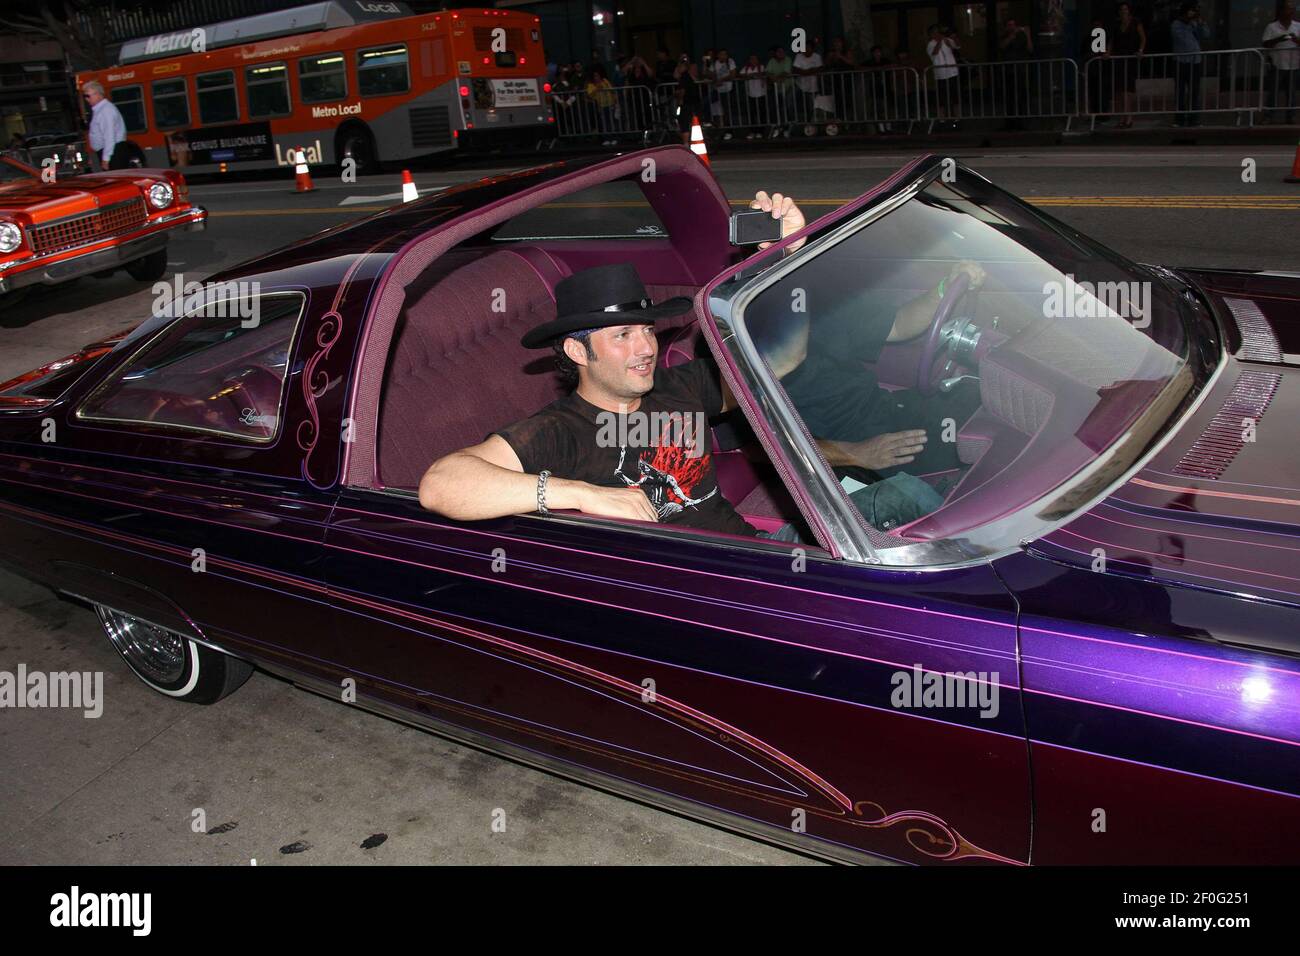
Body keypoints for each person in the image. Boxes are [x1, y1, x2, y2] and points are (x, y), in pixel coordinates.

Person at [419, 192, 982, 539]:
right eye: (622, 335)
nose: (645, 346)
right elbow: (442, 485)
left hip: (761, 554)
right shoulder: (558, 432)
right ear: (575, 351)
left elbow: (783, 357)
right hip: (711, 587)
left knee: (923, 501)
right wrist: (579, 493)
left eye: (646, 328)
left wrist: (785, 258)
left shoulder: (678, 388)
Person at [1171, 1, 1210, 127]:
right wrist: (1189, 23)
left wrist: (1200, 23)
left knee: (1194, 91)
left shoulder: (1194, 24)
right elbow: (1184, 41)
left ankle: (1194, 119)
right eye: (1190, 11)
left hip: (1195, 62)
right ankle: (1180, 119)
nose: (1192, 14)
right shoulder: (1176, 25)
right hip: (1181, 62)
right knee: (1180, 92)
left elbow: (1206, 35)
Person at [1111, 3, 1147, 129]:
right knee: (1119, 90)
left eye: (1125, 9)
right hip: (1119, 58)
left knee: (1128, 89)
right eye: (1121, 10)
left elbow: (1143, 38)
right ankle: (1122, 117)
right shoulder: (1116, 25)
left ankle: (1129, 117)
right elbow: (1112, 41)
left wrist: (1140, 50)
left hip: (1130, 57)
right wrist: (1107, 53)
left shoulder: (1136, 22)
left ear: (1129, 11)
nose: (1123, 12)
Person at [1263, 2, 1299, 124]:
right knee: (1273, 91)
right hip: (1277, 64)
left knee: (1292, 92)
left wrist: (1295, 39)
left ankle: (1291, 116)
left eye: (1292, 9)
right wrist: (1280, 38)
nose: (1291, 12)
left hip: (1294, 64)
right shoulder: (1272, 27)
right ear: (1282, 11)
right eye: (1289, 9)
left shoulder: (1298, 26)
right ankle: (1268, 116)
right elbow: (1265, 44)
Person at [83, 80, 128, 170]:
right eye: (85, 96)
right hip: (111, 151)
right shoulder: (101, 110)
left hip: (113, 153)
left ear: (98, 94)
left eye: (88, 96)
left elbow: (109, 135)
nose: (86, 99)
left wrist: (106, 159)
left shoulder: (105, 111)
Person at [999, 18, 1035, 128]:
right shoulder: (1005, 36)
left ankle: (1021, 120)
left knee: (1021, 96)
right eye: (1009, 25)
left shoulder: (1021, 36)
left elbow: (1030, 49)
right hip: (1009, 70)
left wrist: (1028, 35)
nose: (1012, 27)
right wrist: (1011, 36)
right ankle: (1010, 121)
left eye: (1013, 25)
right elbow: (1002, 46)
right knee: (1009, 96)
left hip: (1020, 70)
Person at [926, 24, 961, 127]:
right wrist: (940, 41)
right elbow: (934, 53)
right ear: (931, 34)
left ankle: (957, 117)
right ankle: (942, 119)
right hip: (940, 75)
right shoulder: (930, 44)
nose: (937, 34)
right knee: (942, 98)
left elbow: (957, 46)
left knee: (955, 96)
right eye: (935, 32)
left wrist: (953, 37)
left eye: (938, 32)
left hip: (952, 72)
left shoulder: (946, 40)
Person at [793, 40, 823, 128]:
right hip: (799, 85)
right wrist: (808, 71)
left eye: (807, 47)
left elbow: (820, 69)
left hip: (813, 87)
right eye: (804, 47)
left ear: (812, 49)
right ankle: (795, 122)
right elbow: (795, 69)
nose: (805, 49)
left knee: (811, 106)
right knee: (791, 101)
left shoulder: (817, 57)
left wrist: (806, 72)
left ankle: (811, 125)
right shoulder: (799, 56)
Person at [766, 46, 795, 137]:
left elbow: (786, 72)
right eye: (778, 52)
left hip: (788, 87)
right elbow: (768, 72)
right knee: (777, 107)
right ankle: (779, 126)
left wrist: (777, 78)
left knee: (788, 105)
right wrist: (775, 79)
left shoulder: (788, 59)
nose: (781, 53)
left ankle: (790, 124)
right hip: (777, 89)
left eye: (782, 52)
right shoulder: (772, 61)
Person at [585, 65, 618, 146]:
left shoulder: (605, 81)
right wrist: (597, 88)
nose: (597, 77)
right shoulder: (591, 85)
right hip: (601, 106)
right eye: (595, 76)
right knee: (604, 123)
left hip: (609, 104)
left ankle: (613, 138)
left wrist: (615, 101)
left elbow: (612, 90)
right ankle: (606, 138)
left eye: (598, 75)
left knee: (611, 121)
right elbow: (590, 94)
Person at [710, 48, 738, 139]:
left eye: (725, 54)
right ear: (718, 55)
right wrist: (716, 80)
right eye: (721, 54)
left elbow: (733, 74)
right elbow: (710, 74)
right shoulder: (715, 64)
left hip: (729, 90)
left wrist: (721, 79)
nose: (723, 56)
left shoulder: (730, 61)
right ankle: (720, 130)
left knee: (728, 110)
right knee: (719, 111)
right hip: (718, 91)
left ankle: (729, 131)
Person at [740, 54, 768, 138]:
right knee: (752, 113)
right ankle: (753, 131)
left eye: (755, 59)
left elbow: (763, 74)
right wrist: (750, 75)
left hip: (761, 93)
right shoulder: (746, 68)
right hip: (750, 94)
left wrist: (754, 74)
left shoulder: (761, 67)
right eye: (751, 59)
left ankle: (761, 131)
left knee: (761, 113)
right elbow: (741, 75)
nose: (753, 60)